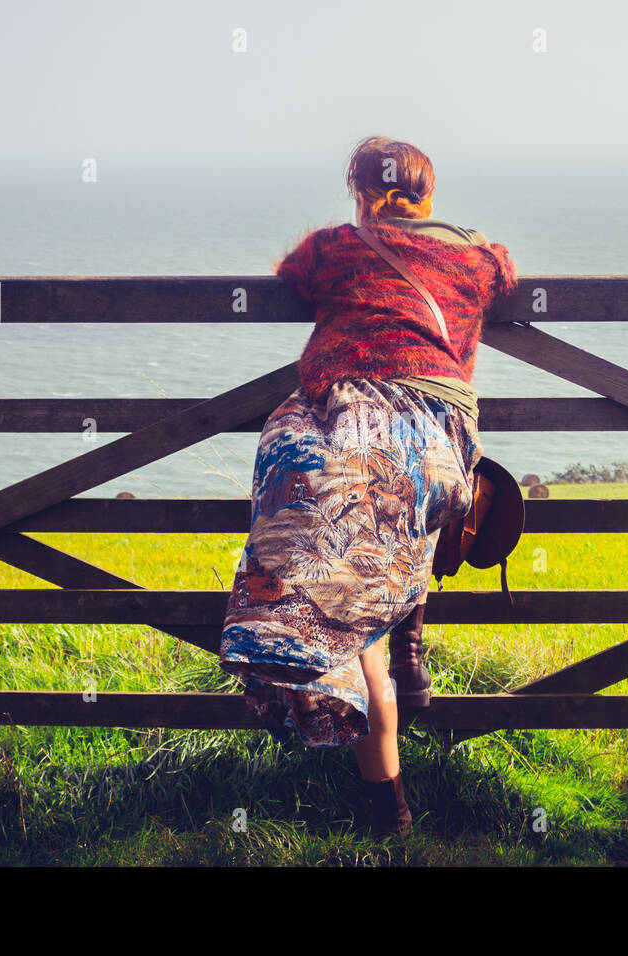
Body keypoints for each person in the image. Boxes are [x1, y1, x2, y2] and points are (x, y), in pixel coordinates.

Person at [218, 135, 518, 837]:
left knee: (325, 579)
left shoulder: (335, 246)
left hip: (344, 433)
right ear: (429, 194)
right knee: (380, 556)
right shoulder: (476, 256)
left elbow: (292, 272)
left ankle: (387, 803)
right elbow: (502, 272)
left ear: (359, 191)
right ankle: (408, 623)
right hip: (439, 441)